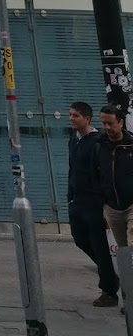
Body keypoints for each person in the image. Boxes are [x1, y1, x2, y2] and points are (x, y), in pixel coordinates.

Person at [67, 100, 120, 306]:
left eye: (76, 115)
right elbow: (72, 169)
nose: (71, 118)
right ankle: (111, 274)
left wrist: (104, 204)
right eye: (71, 115)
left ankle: (109, 291)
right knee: (80, 239)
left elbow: (103, 174)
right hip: (77, 201)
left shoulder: (97, 142)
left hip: (94, 203)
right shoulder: (74, 140)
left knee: (99, 245)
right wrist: (70, 196)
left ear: (87, 119)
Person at [96, 102, 133, 258]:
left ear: (121, 122)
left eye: (110, 123)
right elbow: (95, 175)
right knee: (123, 251)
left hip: (131, 205)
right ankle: (126, 275)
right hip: (112, 208)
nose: (107, 127)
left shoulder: (131, 145)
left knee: (132, 246)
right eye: (104, 123)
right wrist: (103, 203)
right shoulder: (99, 145)